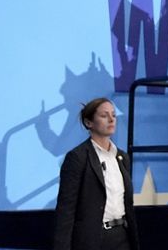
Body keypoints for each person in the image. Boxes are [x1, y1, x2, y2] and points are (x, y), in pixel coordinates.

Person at [53, 98, 138, 250]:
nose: (111, 119)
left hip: (122, 237)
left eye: (113, 115)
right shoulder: (78, 157)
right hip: (93, 240)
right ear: (89, 123)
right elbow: (66, 210)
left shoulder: (122, 157)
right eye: (104, 116)